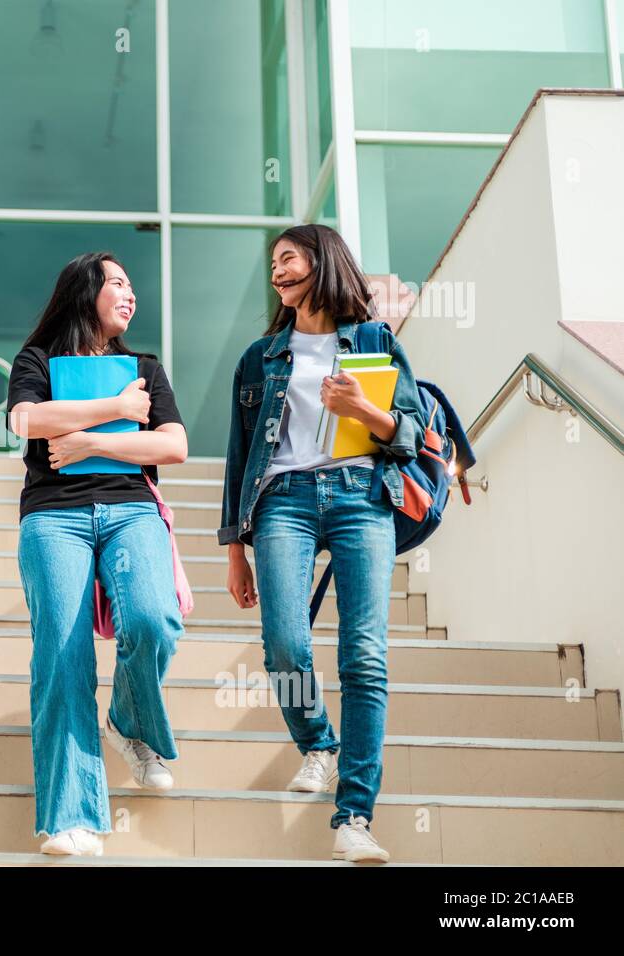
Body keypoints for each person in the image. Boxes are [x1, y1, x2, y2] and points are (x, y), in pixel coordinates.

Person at [219, 223, 426, 864]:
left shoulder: (372, 340)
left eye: (289, 258)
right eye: (273, 263)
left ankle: (355, 816)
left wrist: (366, 411)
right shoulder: (260, 357)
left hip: (363, 496)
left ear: (322, 262)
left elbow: (411, 430)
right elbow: (238, 455)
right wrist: (234, 547)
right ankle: (318, 742)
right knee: (285, 641)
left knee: (364, 656)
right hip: (283, 501)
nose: (277, 271)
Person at [7, 251, 189, 857]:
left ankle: (129, 722)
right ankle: (70, 817)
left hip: (131, 508)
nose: (129, 293)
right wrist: (114, 410)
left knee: (153, 619)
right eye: (117, 282)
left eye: (132, 284)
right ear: (84, 292)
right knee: (62, 655)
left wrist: (85, 441)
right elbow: (27, 421)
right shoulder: (37, 361)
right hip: (53, 519)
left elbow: (174, 446)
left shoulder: (144, 366)